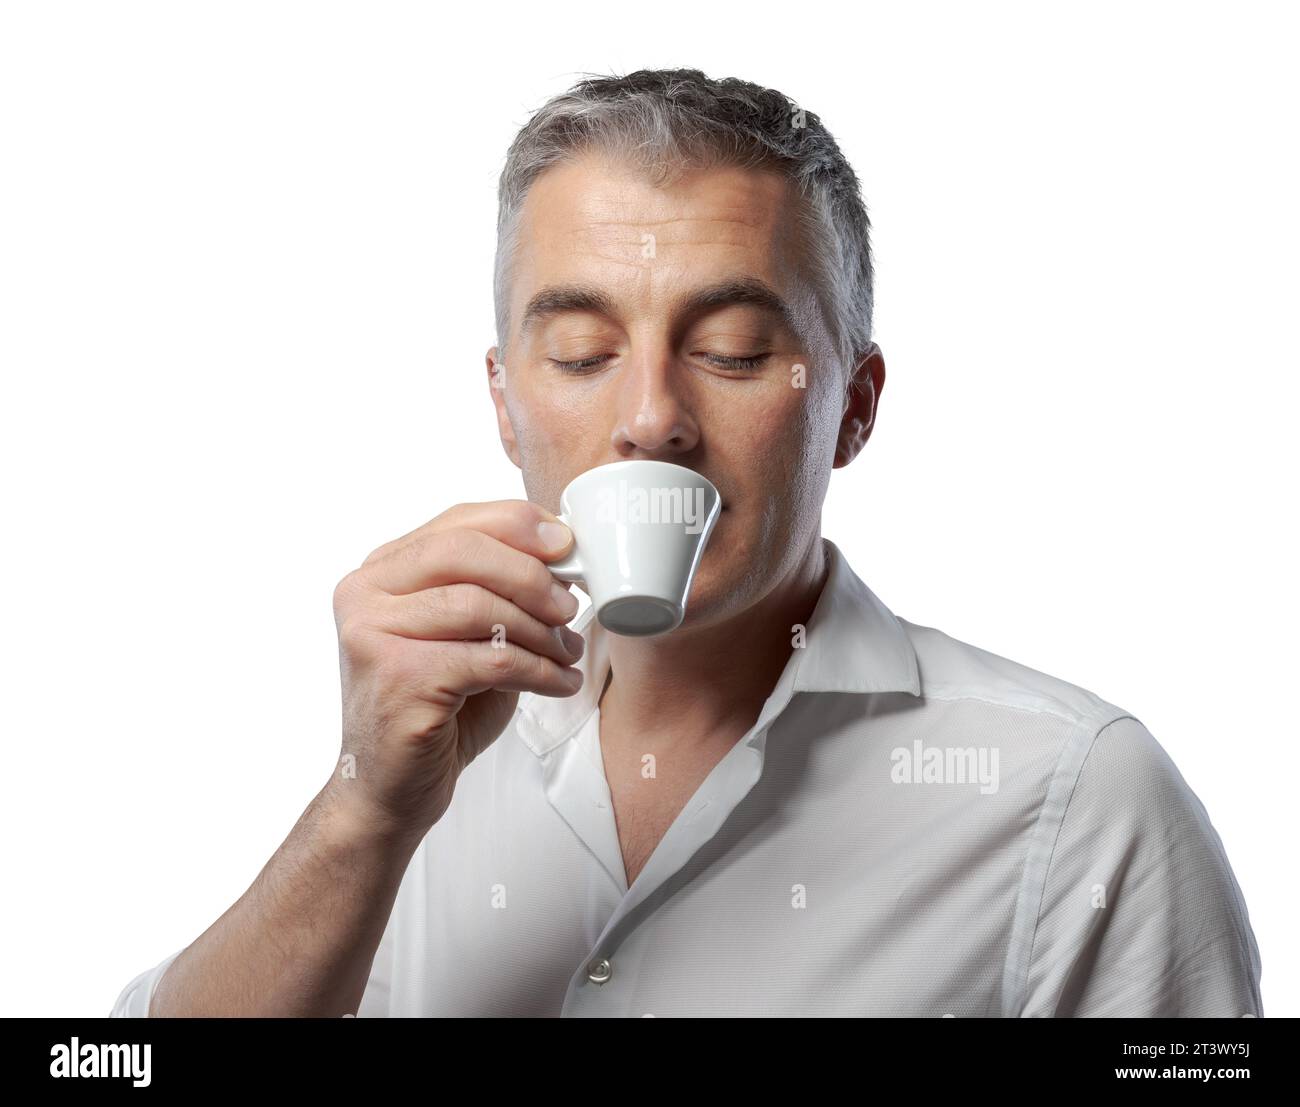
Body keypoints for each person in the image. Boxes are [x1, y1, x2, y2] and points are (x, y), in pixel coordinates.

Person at [110, 68, 1262, 1018]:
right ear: (506, 405)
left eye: (734, 350)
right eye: (577, 353)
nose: (651, 416)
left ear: (851, 406)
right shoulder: (426, 767)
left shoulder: (1076, 802)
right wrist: (363, 812)